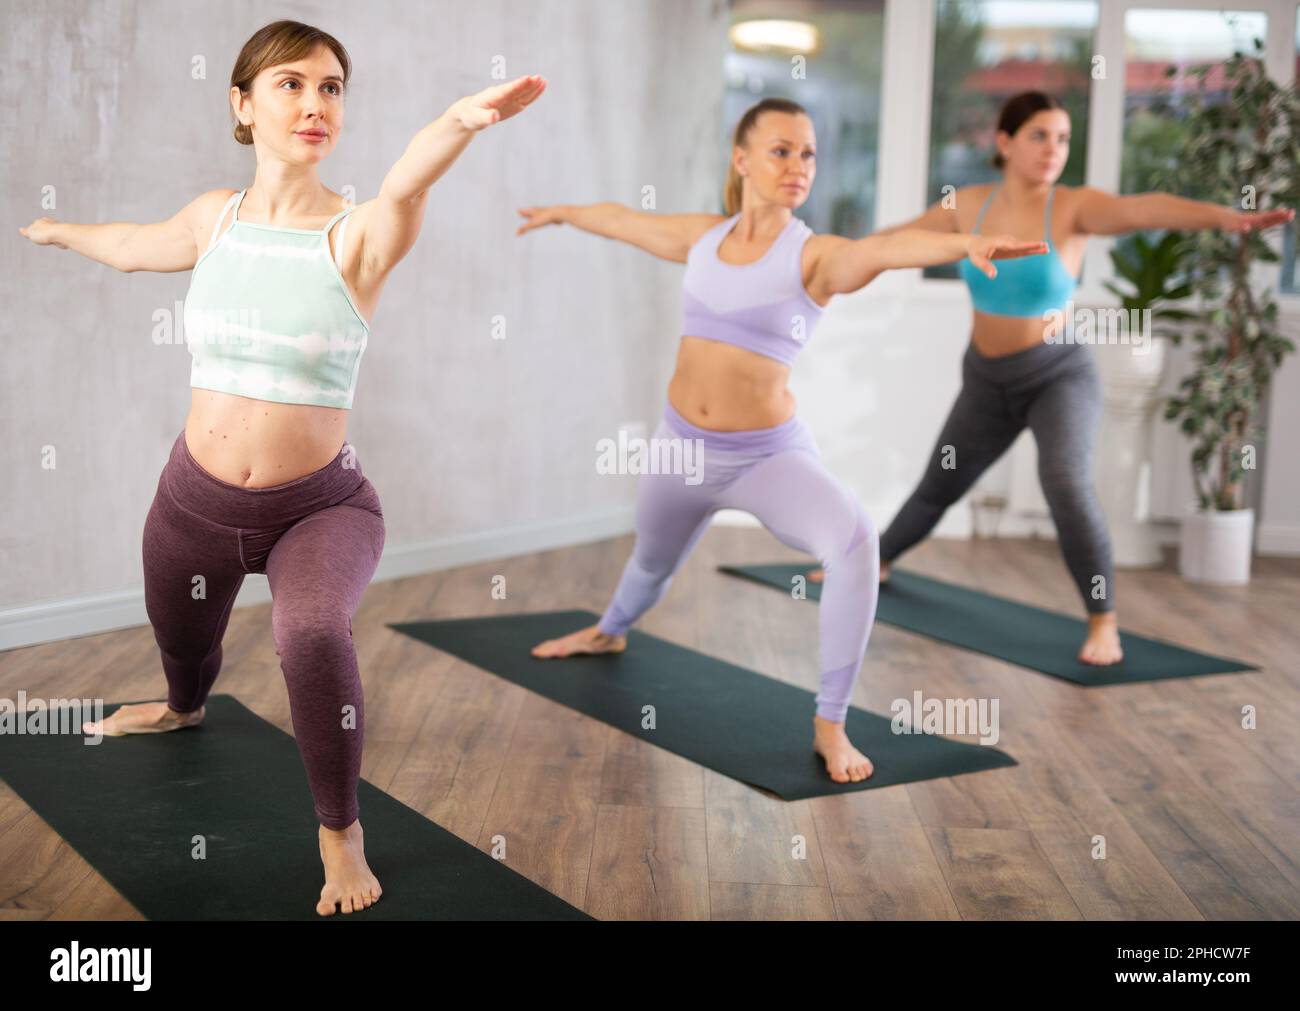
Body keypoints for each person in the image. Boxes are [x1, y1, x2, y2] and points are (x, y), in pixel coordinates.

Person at [20, 18, 545, 916]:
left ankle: (340, 832)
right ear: (243, 105)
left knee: (310, 635)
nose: (314, 103)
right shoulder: (213, 219)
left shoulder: (356, 236)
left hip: (321, 509)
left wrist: (458, 121)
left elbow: (407, 182)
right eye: (290, 84)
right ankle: (182, 706)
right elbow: (134, 246)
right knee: (183, 648)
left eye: (331, 87)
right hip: (191, 502)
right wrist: (58, 229)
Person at [520, 97, 1047, 784]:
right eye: (781, 150)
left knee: (855, 542)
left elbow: (881, 251)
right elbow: (624, 221)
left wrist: (962, 246)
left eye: (808, 154)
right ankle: (608, 630)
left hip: (765, 458)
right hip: (680, 449)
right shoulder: (702, 239)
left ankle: (831, 723)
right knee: (650, 562)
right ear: (741, 159)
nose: (799, 165)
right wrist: (563, 212)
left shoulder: (814, 256)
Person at [806, 90, 1294, 666]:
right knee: (941, 482)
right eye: (1039, 136)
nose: (1053, 150)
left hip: (1058, 375)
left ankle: (1104, 620)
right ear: (1005, 141)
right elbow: (894, 242)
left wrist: (1227, 219)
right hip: (986, 378)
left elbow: (1148, 208)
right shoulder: (968, 205)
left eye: (1063, 138)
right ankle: (879, 561)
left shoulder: (1073, 207)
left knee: (1065, 481)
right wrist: (813, 257)